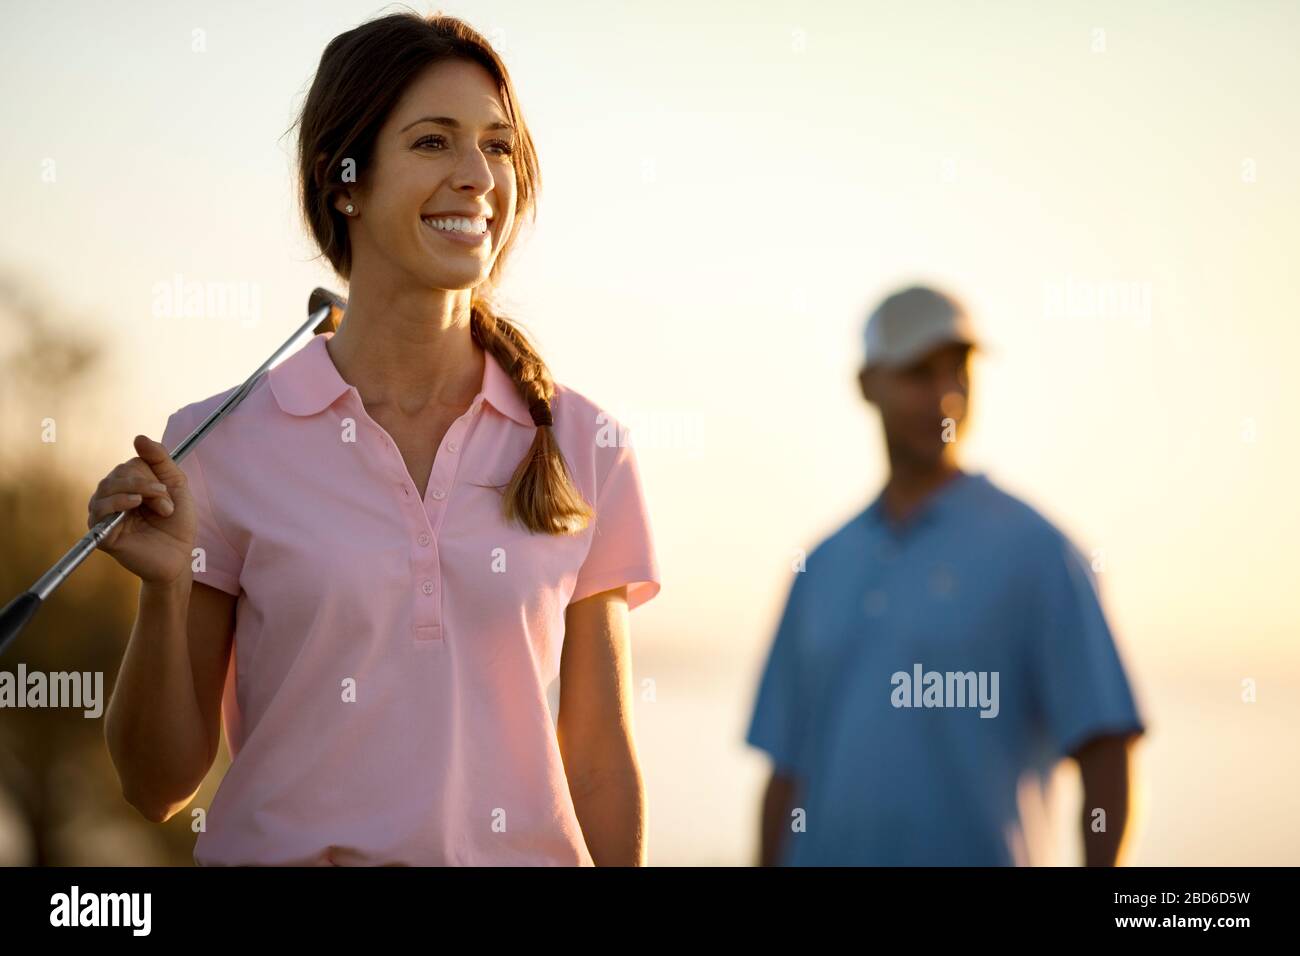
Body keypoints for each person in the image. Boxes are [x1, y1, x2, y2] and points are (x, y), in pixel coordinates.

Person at [98, 13, 661, 866]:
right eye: (434, 142)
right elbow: (157, 787)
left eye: (498, 147)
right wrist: (165, 590)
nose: (477, 176)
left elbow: (600, 764)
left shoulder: (587, 443)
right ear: (344, 181)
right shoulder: (215, 443)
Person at [745, 285, 1147, 866]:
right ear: (867, 385)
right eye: (918, 373)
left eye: (957, 371)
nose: (945, 396)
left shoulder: (1038, 552)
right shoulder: (821, 566)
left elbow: (1105, 749)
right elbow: (786, 770)